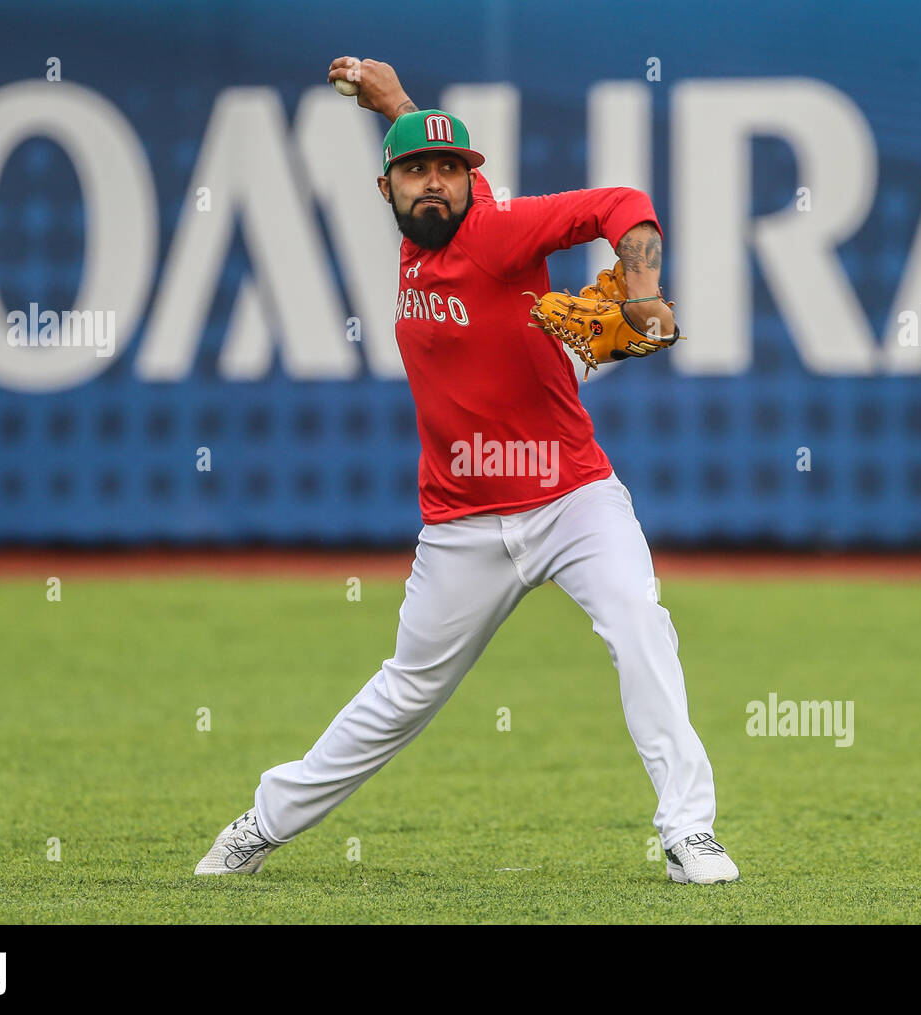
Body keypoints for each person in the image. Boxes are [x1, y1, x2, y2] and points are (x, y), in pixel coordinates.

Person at [195, 58, 739, 885]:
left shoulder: (494, 228)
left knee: (639, 622)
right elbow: (428, 171)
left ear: (469, 181)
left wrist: (642, 282)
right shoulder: (437, 226)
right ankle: (260, 825)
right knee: (405, 693)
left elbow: (619, 203)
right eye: (418, 171)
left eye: (453, 169)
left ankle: (688, 831)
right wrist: (394, 103)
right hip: (462, 527)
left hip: (571, 497)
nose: (437, 185)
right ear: (387, 191)